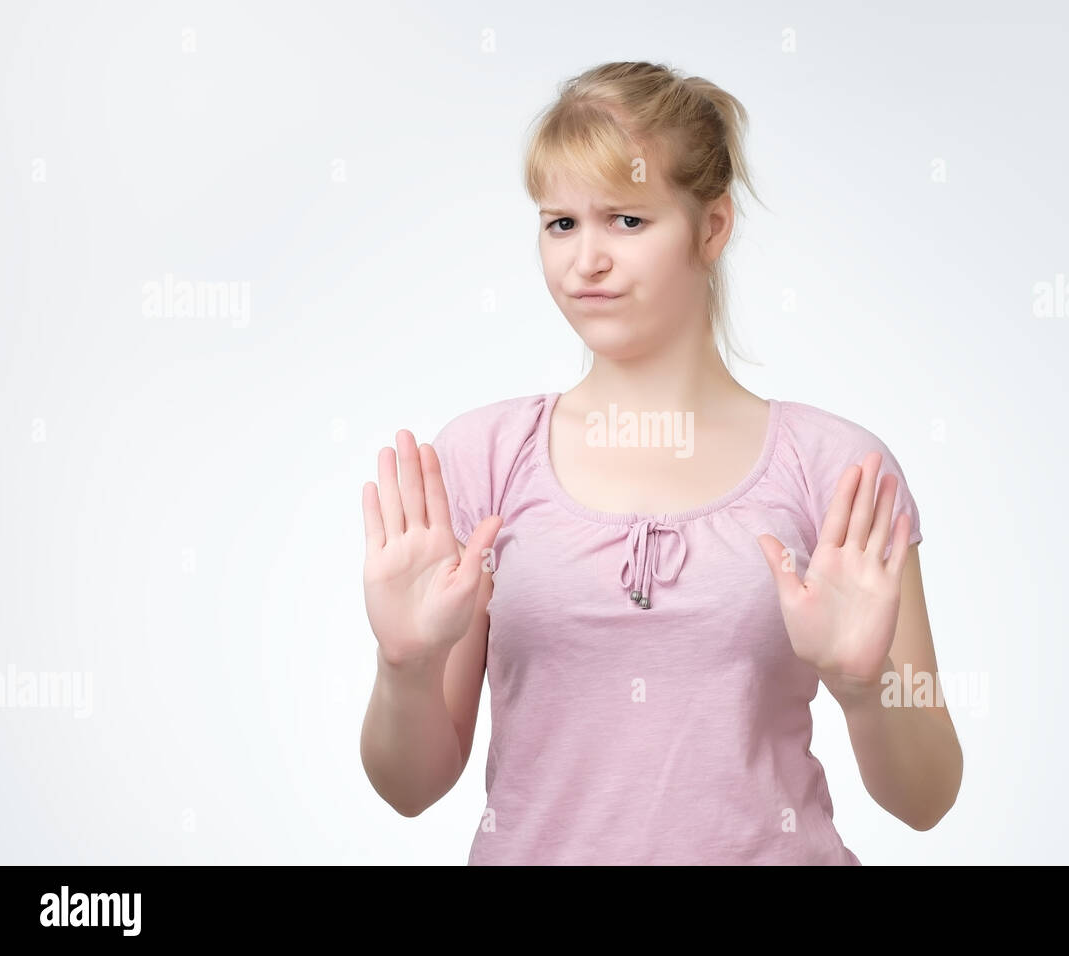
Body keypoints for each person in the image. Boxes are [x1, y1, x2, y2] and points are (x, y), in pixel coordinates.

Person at [359, 61, 962, 865]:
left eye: (627, 221)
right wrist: (406, 665)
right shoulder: (482, 460)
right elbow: (410, 788)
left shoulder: (840, 471)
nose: (586, 261)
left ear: (712, 227)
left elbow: (926, 800)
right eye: (560, 223)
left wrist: (864, 688)